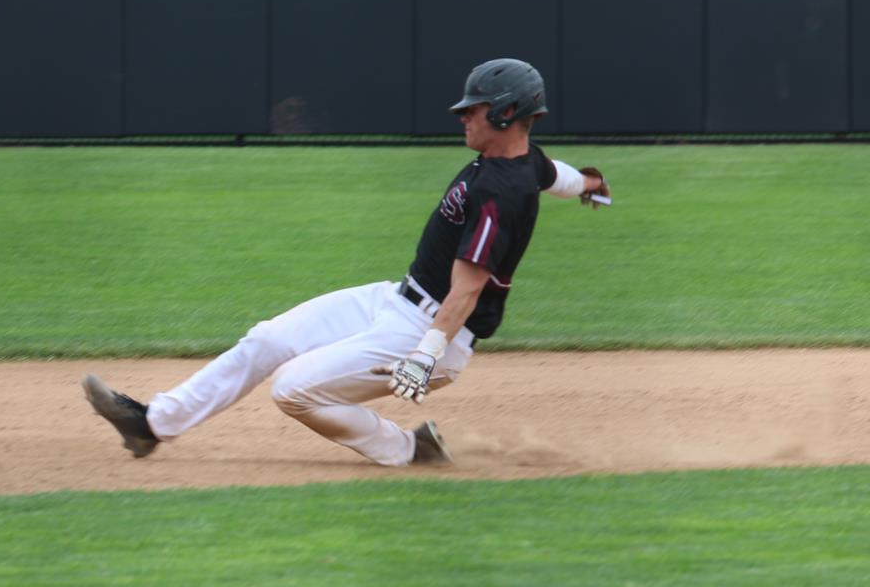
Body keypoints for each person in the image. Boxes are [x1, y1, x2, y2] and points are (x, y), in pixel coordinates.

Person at [82, 58, 609, 468]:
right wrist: (590, 184)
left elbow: (467, 291)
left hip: (434, 332)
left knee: (293, 391)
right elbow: (552, 172)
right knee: (267, 339)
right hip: (395, 299)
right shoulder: (519, 161)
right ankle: (151, 424)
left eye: (474, 109)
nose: (464, 116)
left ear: (505, 113)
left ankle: (408, 450)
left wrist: (425, 355)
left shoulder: (502, 192)